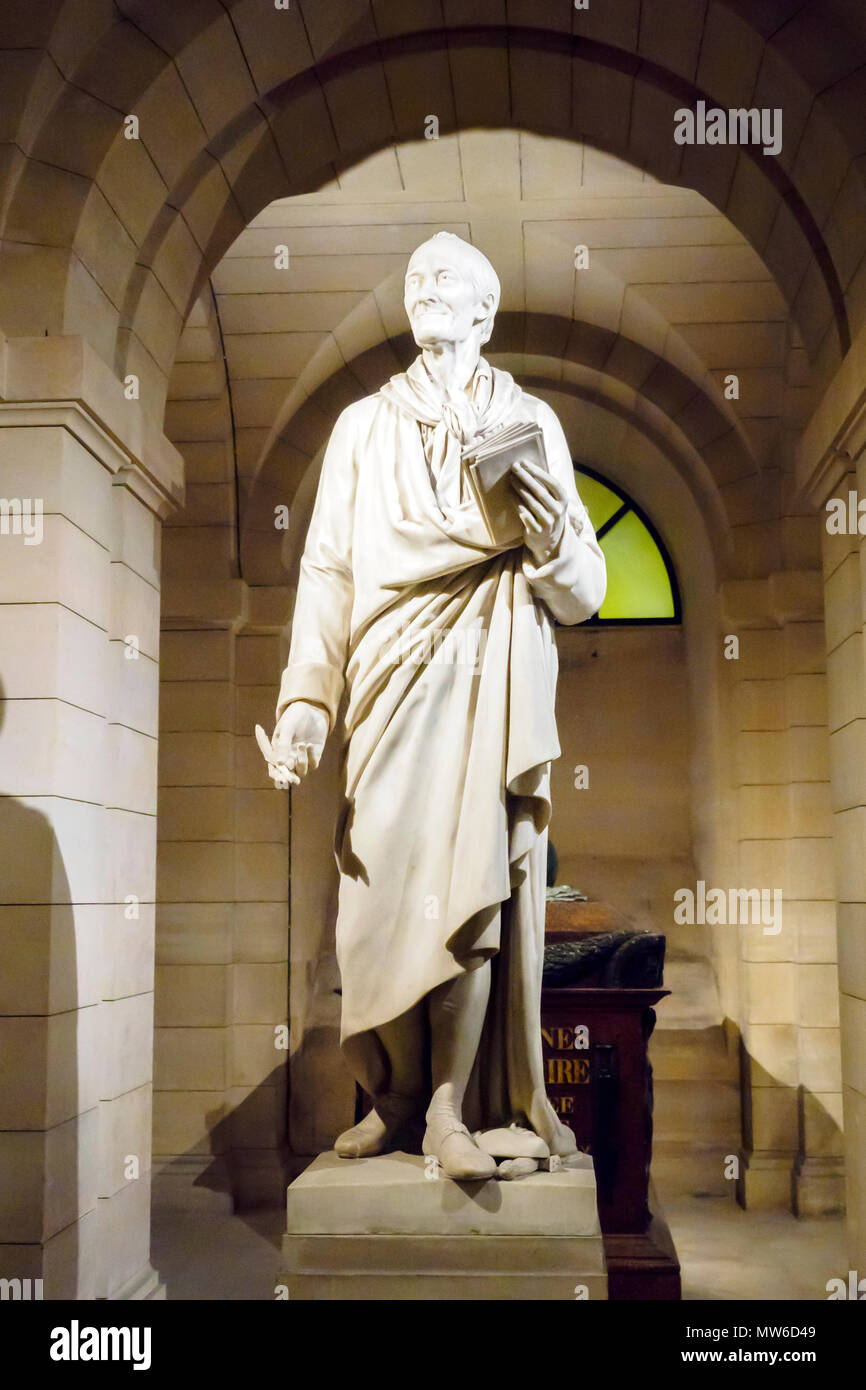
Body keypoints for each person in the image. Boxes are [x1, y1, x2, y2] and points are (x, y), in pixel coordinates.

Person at [262, 232, 606, 1179]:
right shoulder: (362, 427)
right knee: (375, 907)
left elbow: (585, 589)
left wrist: (549, 544)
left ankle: (452, 1105)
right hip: (386, 681)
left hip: (488, 678)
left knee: (469, 897)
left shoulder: (530, 420)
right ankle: (400, 1096)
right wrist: (305, 699)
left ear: (486, 312)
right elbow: (328, 567)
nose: (427, 289)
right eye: (415, 280)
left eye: (446, 280)